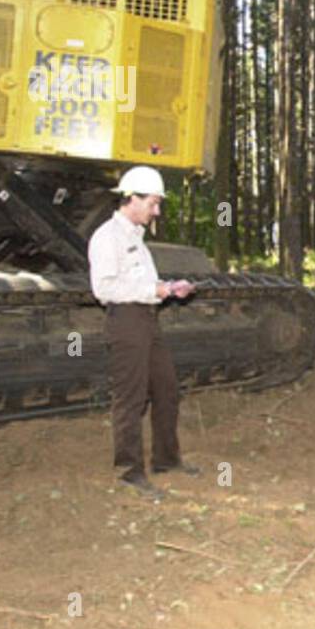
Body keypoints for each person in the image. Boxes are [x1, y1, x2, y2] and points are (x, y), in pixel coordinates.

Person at [88, 166, 200, 496]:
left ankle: (166, 458)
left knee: (166, 389)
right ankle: (128, 471)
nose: (157, 211)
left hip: (148, 320)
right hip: (126, 322)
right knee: (130, 398)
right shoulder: (107, 237)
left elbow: (142, 283)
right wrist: (156, 290)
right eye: (152, 203)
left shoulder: (137, 238)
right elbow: (104, 289)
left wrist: (167, 288)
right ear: (131, 199)